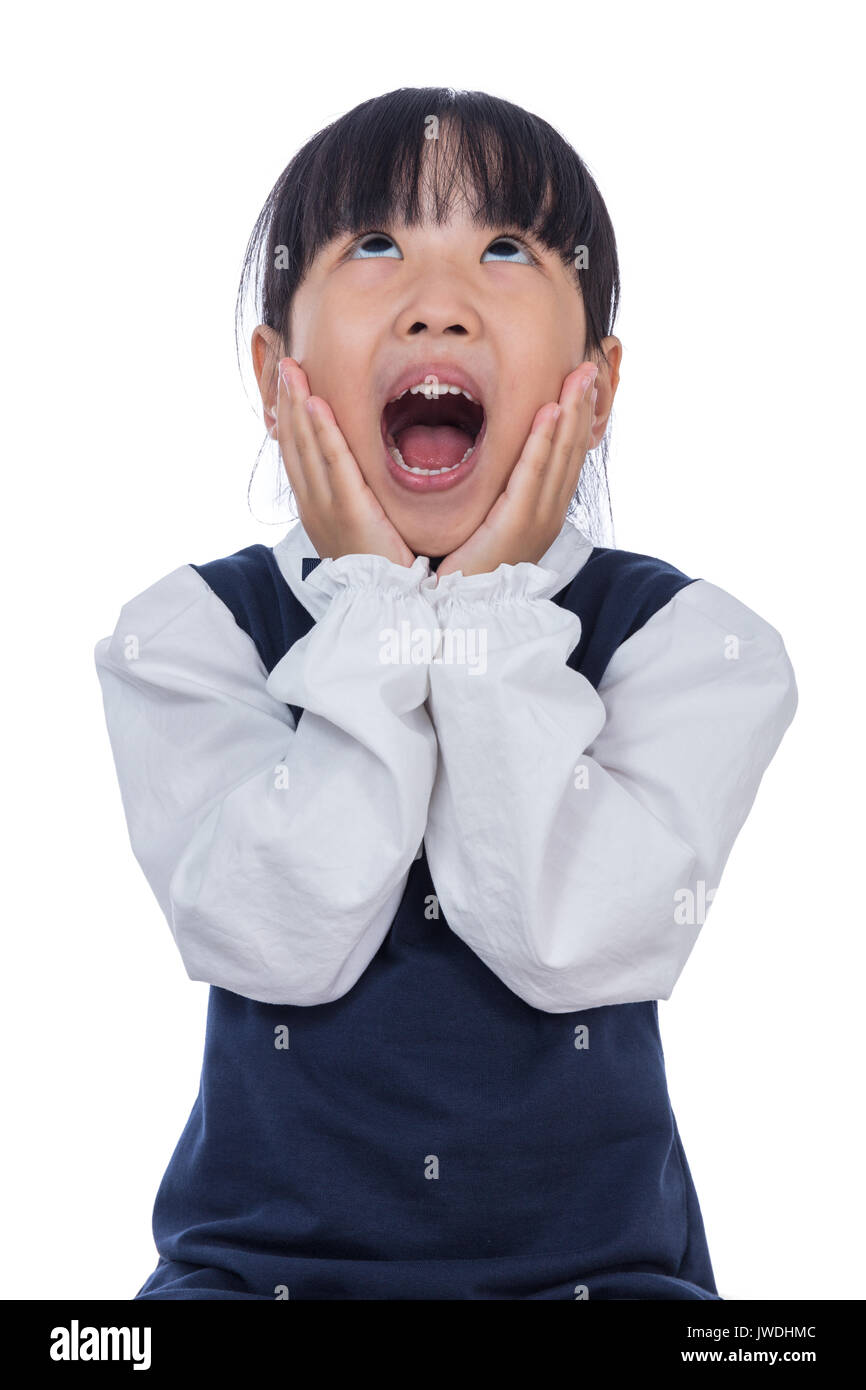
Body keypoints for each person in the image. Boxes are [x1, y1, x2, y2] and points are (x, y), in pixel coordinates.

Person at [93, 87, 798, 1300]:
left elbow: (570, 934)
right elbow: (270, 932)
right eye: (373, 244)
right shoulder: (191, 636)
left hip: (602, 1279)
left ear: (593, 381)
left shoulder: (684, 644)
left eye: (506, 248)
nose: (436, 299)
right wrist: (373, 610)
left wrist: (481, 617)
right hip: (255, 1279)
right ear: (277, 375)